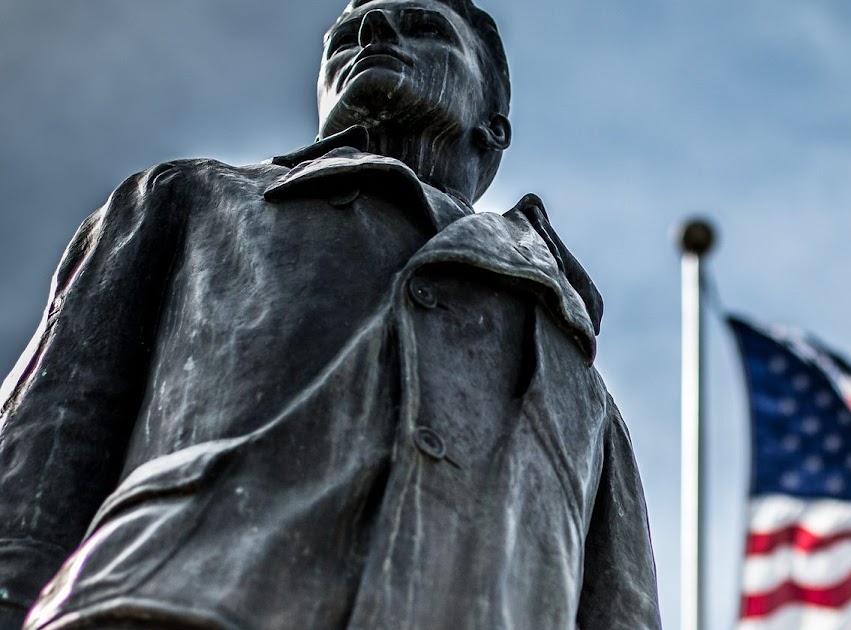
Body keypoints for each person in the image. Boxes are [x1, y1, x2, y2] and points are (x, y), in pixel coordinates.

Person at [0, 1, 661, 628]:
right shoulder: (186, 203)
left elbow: (621, 610)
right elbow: (36, 466)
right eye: (346, 36)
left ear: (494, 125)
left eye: (423, 27)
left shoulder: (578, 376)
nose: (373, 35)